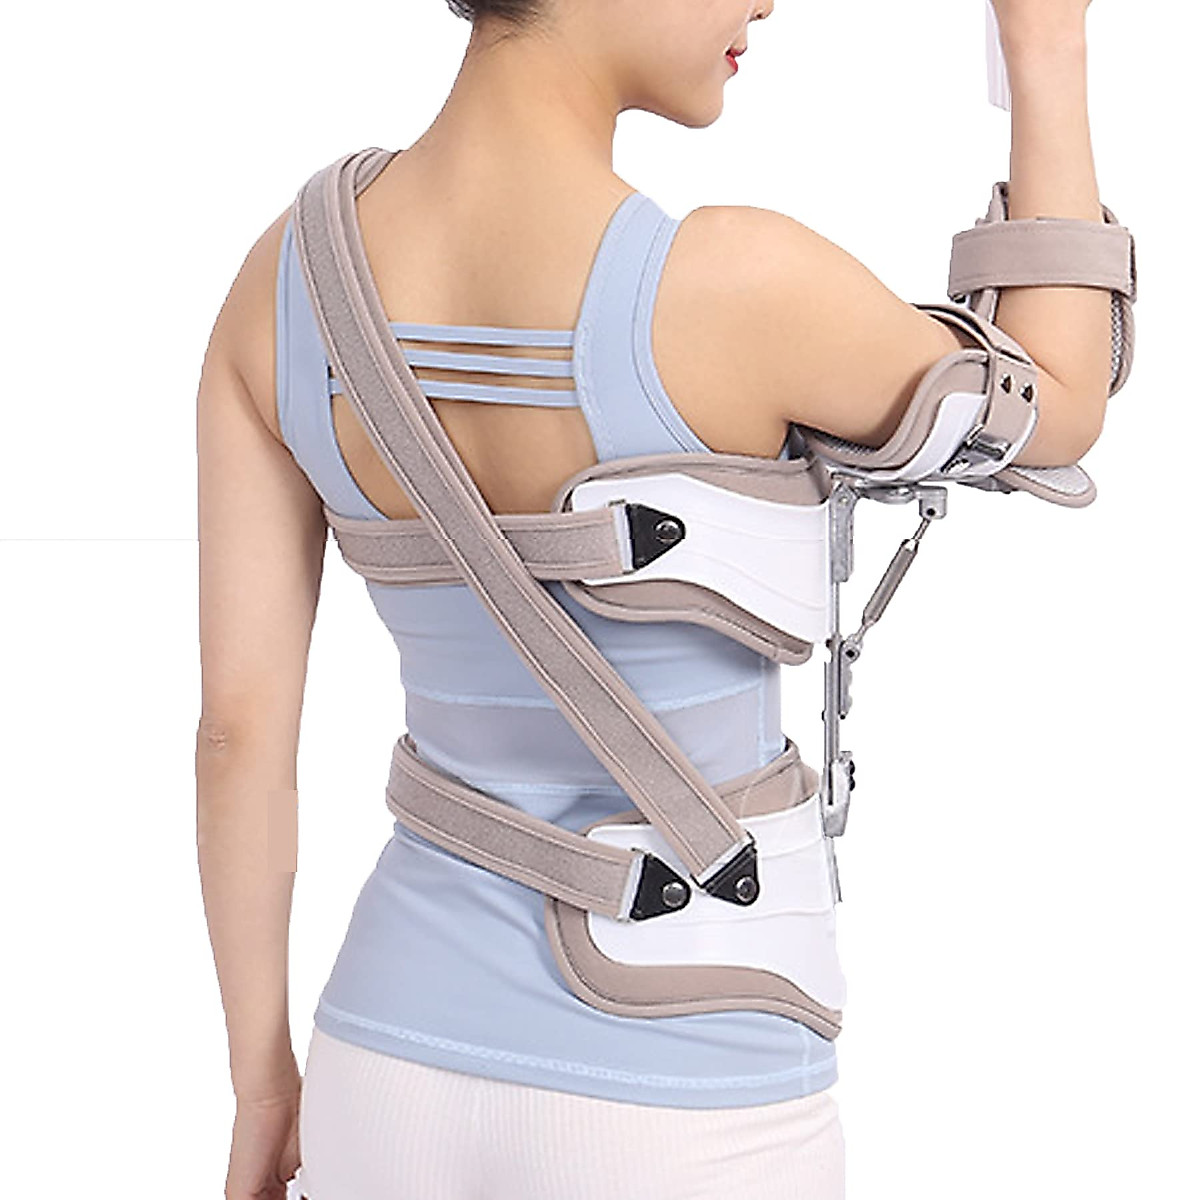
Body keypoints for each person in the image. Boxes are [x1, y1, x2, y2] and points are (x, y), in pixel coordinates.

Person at [195, 1, 1113, 1197]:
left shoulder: (286, 284)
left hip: (385, 1063)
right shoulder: (738, 283)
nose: (766, 1)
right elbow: (1060, 401)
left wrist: (265, 1088)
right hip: (689, 1091)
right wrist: (1046, 43)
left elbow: (238, 737)